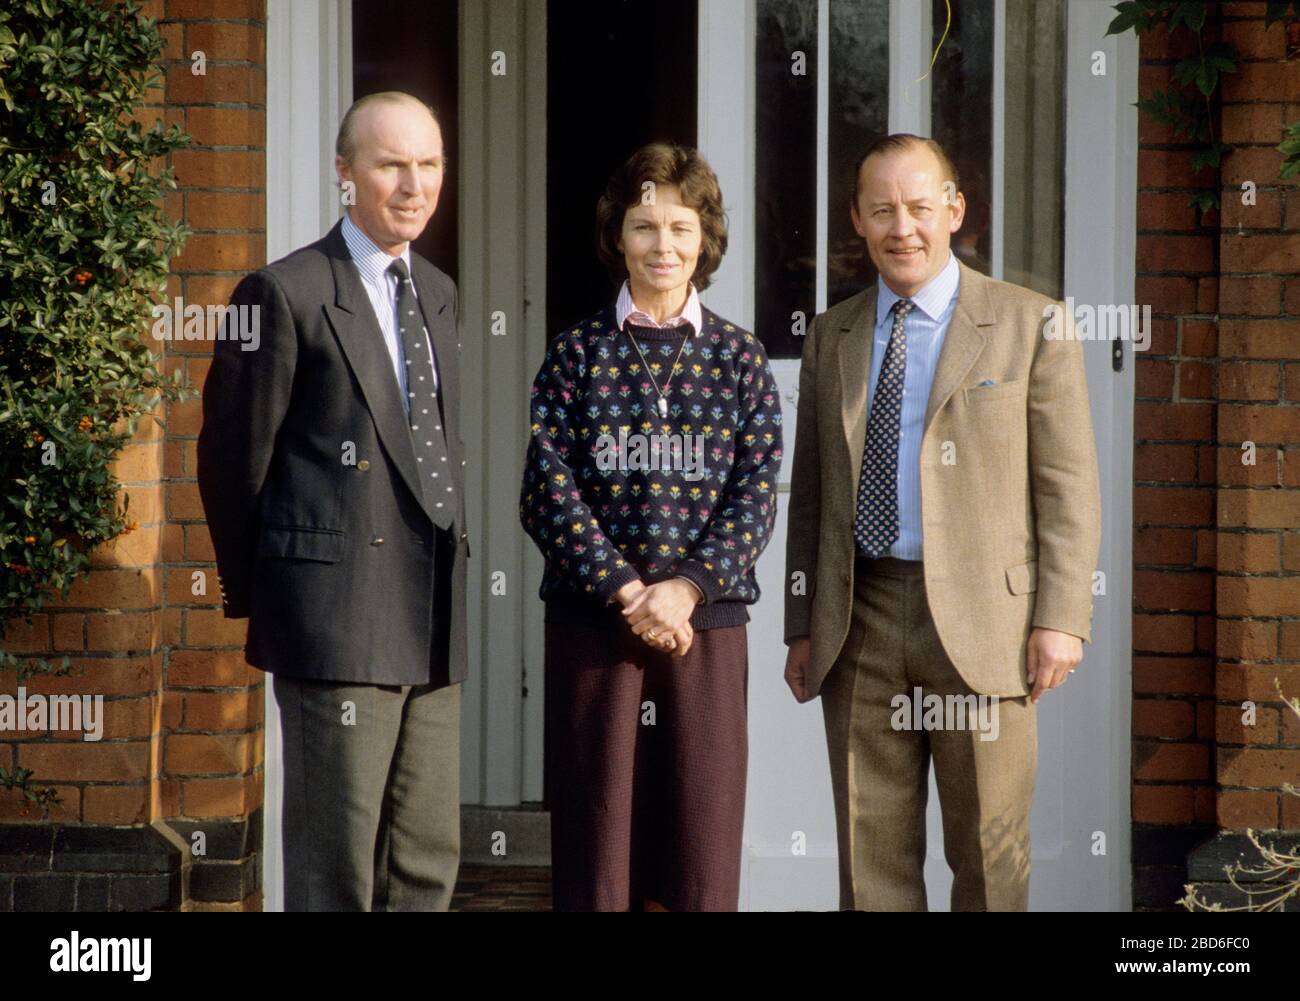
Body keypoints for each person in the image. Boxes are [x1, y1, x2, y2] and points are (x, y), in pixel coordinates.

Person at [783, 134, 1101, 911]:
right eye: (883, 210)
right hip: (860, 620)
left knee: (989, 862)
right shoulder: (834, 333)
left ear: (954, 211)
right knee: (871, 866)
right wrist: (801, 621)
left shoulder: (1033, 325)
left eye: (920, 208)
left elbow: (1068, 485)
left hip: (986, 625)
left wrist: (1061, 617)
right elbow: (812, 495)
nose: (903, 229)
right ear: (856, 219)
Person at [197, 92, 469, 911]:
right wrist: (271, 593)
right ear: (345, 175)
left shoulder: (443, 294)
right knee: (335, 873)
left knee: (427, 864)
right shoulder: (280, 292)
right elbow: (231, 461)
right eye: (391, 165)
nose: (413, 184)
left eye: (429, 165)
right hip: (333, 625)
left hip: (433, 624)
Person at [520, 142, 783, 911]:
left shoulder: (740, 357)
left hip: (706, 630)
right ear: (617, 236)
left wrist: (687, 590)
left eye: (680, 226)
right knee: (600, 851)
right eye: (643, 226)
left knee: (698, 847)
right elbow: (548, 490)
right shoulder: (576, 354)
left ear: (705, 239)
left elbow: (755, 493)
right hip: (595, 630)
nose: (661, 245)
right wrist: (631, 591)